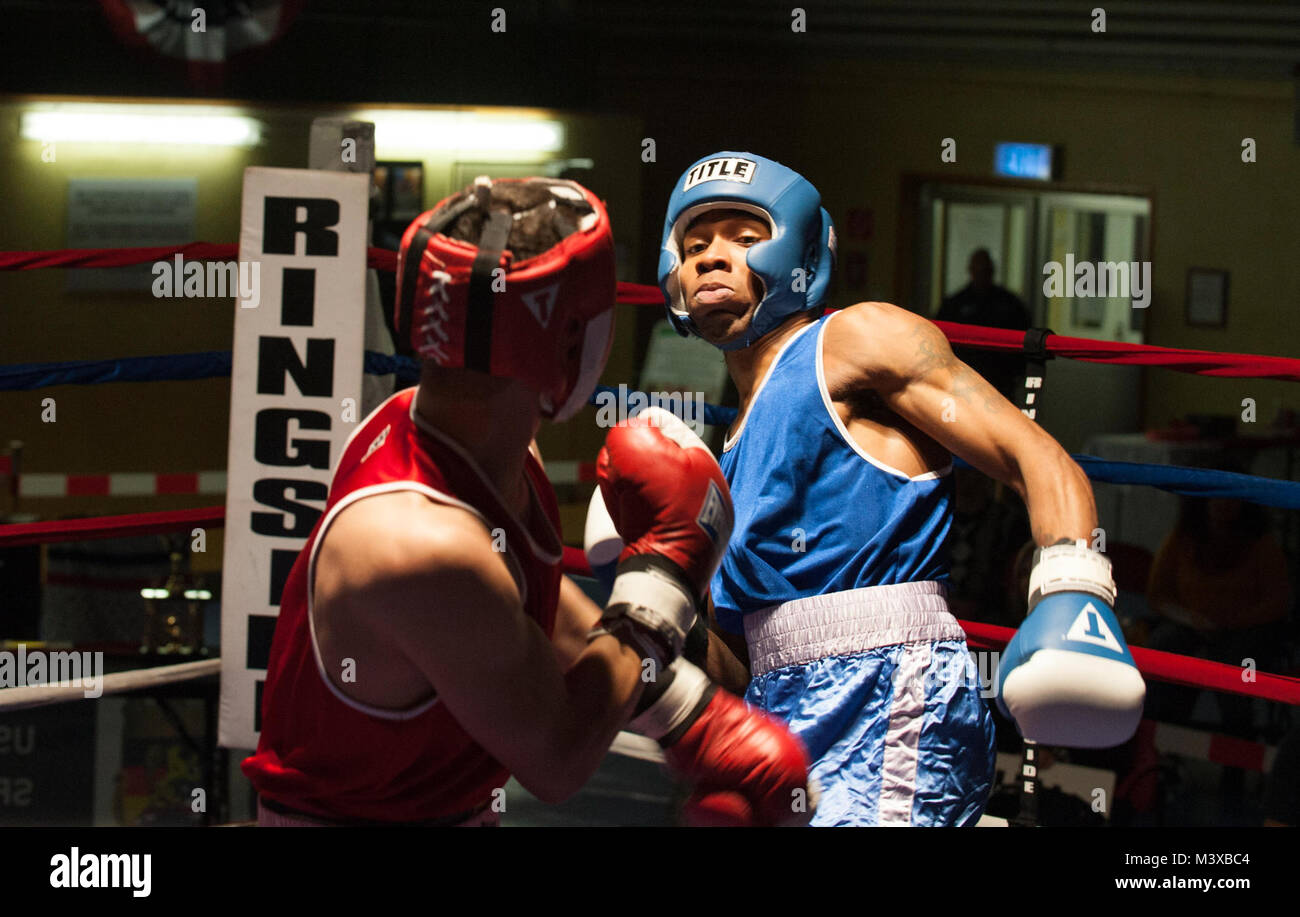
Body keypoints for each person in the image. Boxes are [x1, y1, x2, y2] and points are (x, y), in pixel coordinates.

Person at [242, 176, 814, 826]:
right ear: (575, 335)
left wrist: (691, 717)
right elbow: (558, 759)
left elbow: (523, 610)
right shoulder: (413, 542)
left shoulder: (456, 439)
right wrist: (664, 577)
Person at [658, 152, 1145, 826]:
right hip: (778, 717)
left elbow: (1034, 453)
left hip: (890, 693)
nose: (712, 257)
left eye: (743, 236)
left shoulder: (856, 340)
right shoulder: (727, 453)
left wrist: (1073, 592)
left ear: (797, 248)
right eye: (695, 244)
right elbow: (738, 667)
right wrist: (655, 586)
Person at [1144, 492, 1292, 735]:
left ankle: (1237, 756)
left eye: (1231, 496)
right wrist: (1191, 619)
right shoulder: (1181, 540)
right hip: (1189, 625)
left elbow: (1277, 602)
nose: (1224, 503)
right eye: (1216, 496)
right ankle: (1156, 746)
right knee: (1164, 647)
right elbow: (1158, 596)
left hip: (1246, 631)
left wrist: (1235, 621)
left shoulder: (1262, 545)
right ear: (1202, 500)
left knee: (1236, 666)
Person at [935, 248, 1031, 399]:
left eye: (985, 270)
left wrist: (1016, 374)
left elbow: (1025, 339)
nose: (981, 274)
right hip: (961, 378)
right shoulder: (954, 304)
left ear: (992, 271)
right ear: (970, 271)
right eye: (977, 270)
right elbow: (938, 339)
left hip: (1000, 381)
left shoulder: (1009, 304)